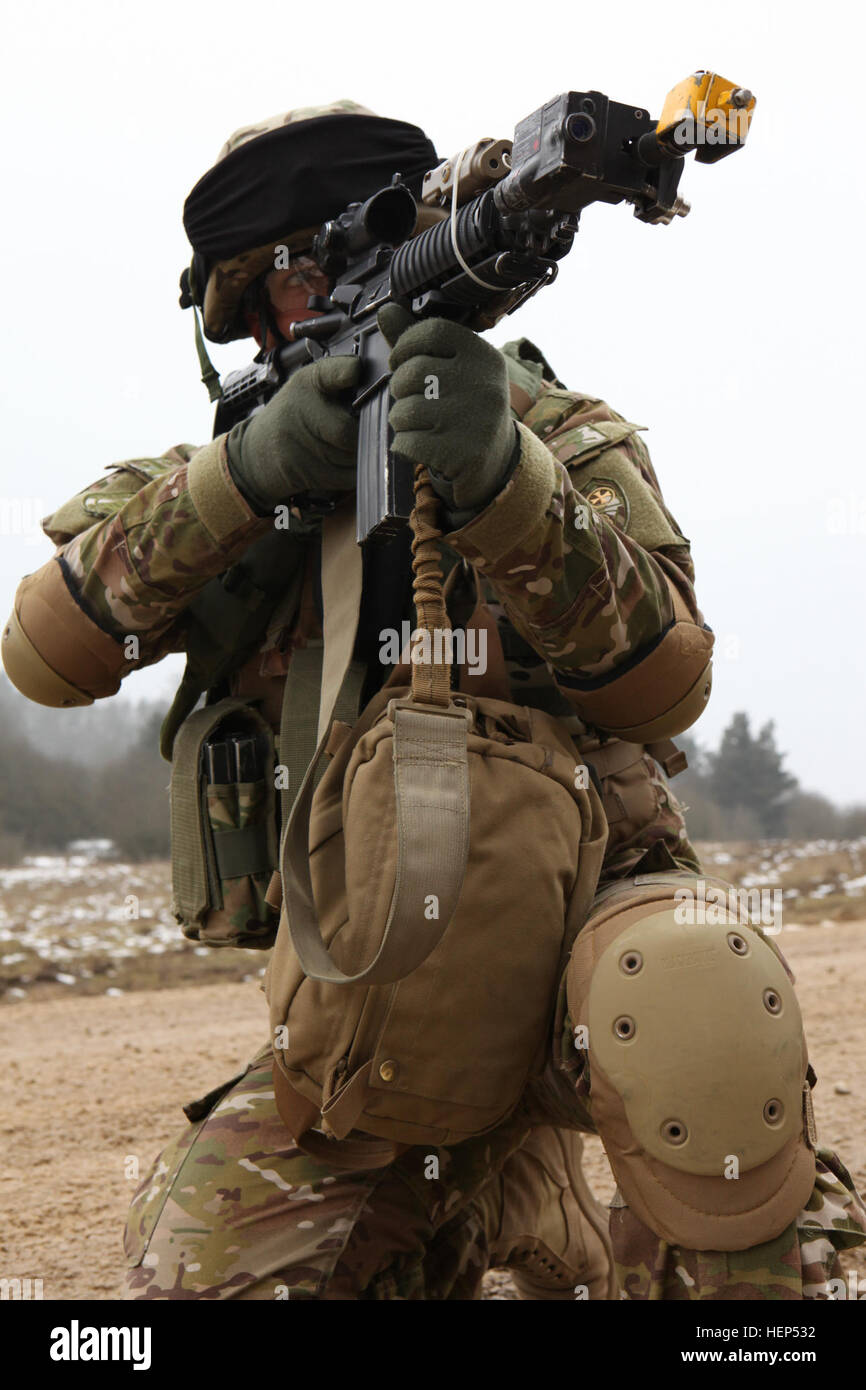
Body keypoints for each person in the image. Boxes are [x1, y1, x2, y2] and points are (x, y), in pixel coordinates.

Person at [4, 100, 864, 1301]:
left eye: (329, 269)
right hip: (375, 980)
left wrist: (511, 484)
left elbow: (667, 683)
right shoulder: (222, 479)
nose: (309, 301)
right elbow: (46, 656)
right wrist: (243, 481)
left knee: (690, 1005)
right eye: (288, 282)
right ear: (252, 317)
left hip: (593, 922)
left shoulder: (556, 432)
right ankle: (486, 1201)